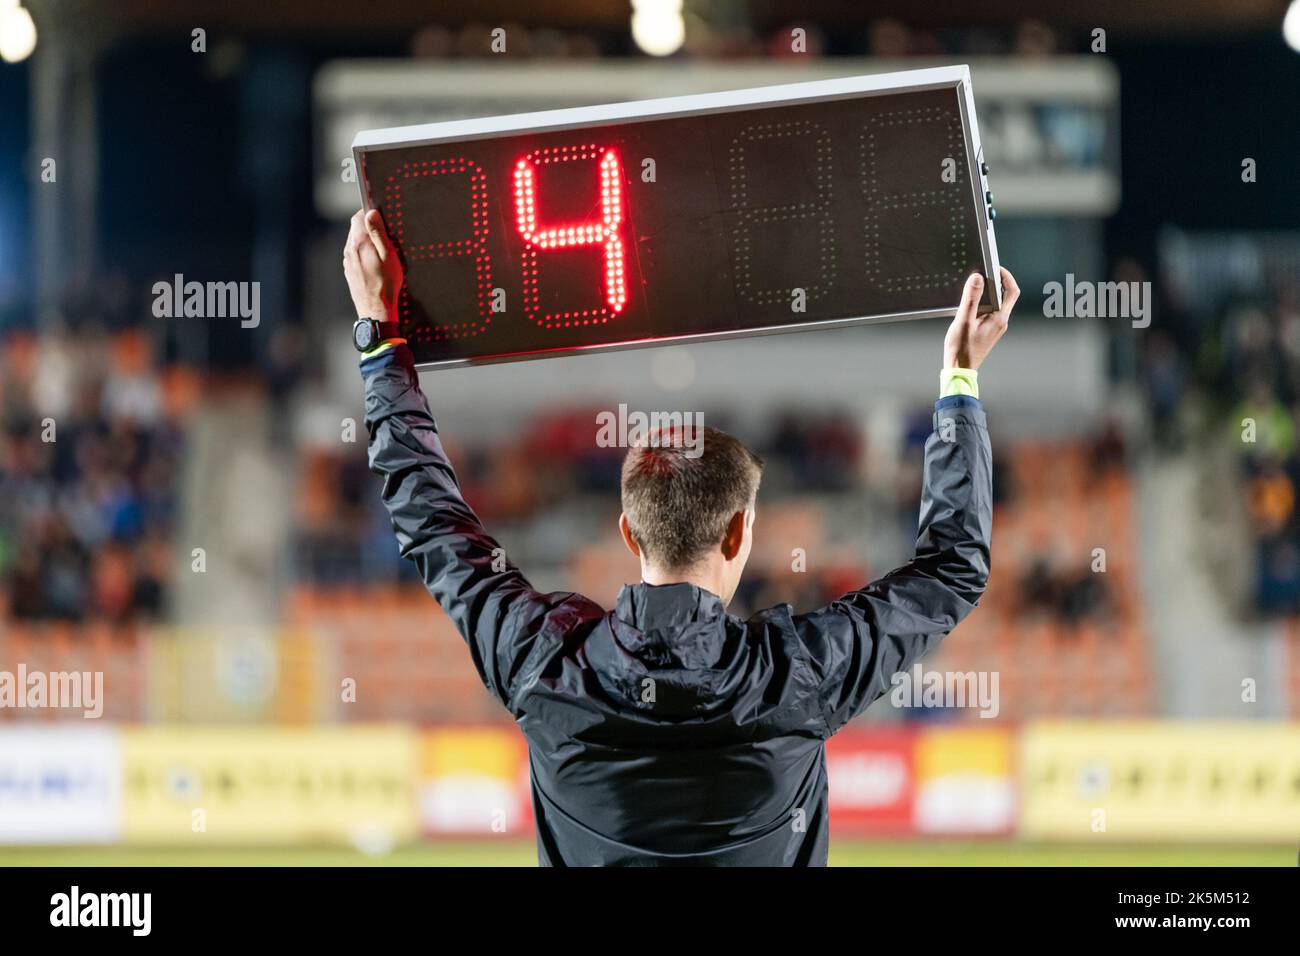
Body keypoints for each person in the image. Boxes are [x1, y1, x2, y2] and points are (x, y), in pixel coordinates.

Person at [342, 208, 1018, 866]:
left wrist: (380, 346)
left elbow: (432, 526)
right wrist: (959, 381)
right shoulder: (800, 675)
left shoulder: (543, 662)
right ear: (736, 534)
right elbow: (954, 568)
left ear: (628, 535)